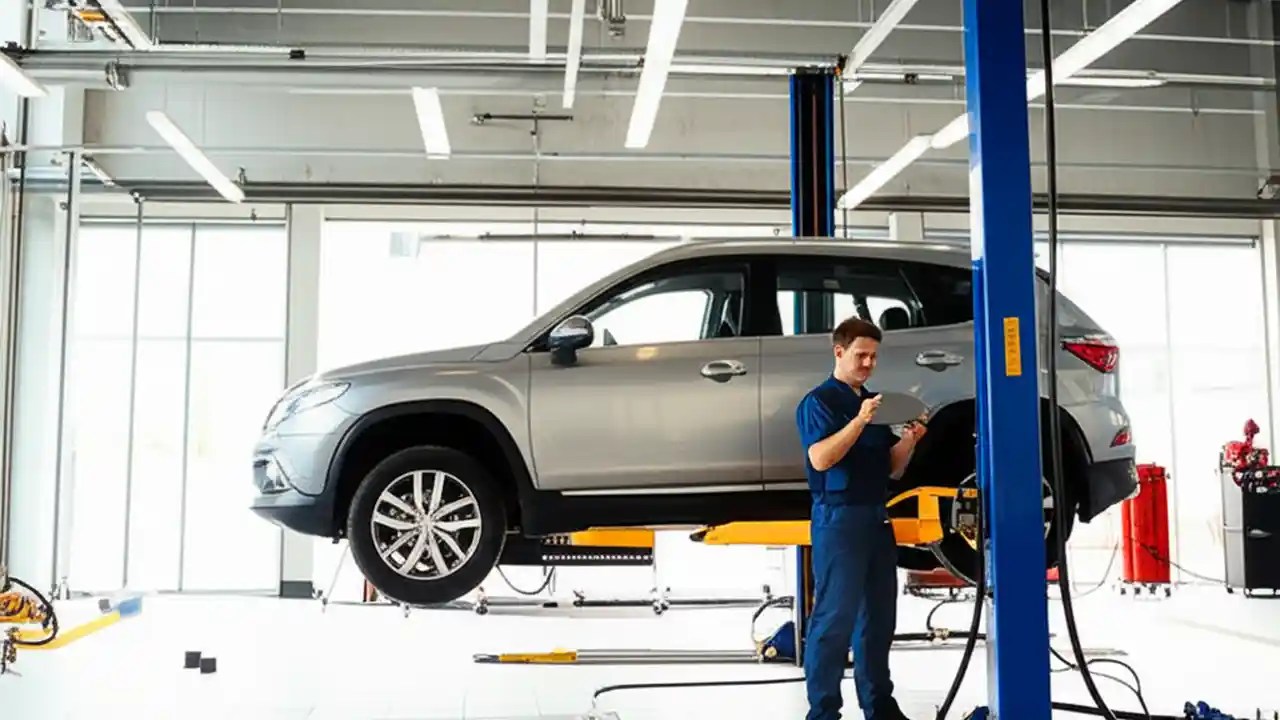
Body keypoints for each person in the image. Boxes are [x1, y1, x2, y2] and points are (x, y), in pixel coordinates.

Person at [795, 316, 927, 720]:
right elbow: (821, 457)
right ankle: (823, 712)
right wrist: (859, 421)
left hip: (876, 519)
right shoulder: (820, 402)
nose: (868, 363)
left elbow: (890, 467)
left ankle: (880, 707)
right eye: (861, 355)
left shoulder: (874, 403)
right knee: (835, 619)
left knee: (877, 620)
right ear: (839, 352)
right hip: (839, 521)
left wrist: (909, 440)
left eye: (873, 356)